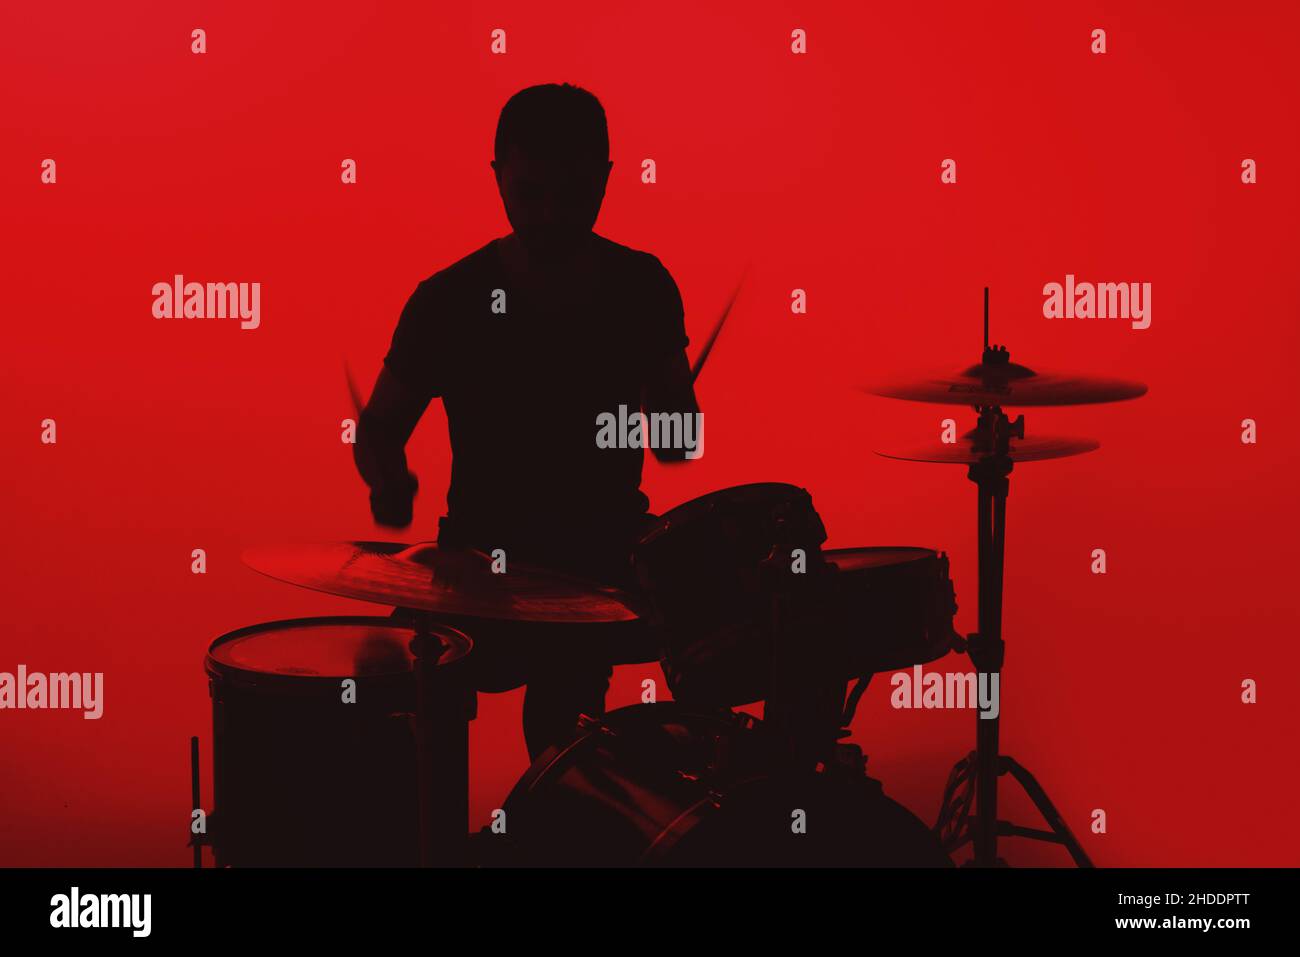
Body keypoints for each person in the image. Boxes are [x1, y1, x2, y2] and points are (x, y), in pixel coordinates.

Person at [353, 82, 699, 759]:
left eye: (574, 195)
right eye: (530, 192)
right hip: (478, 564)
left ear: (606, 178)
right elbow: (378, 429)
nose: (550, 215)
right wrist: (386, 474)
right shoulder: (448, 300)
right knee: (393, 697)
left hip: (597, 566)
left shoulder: (643, 286)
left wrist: (673, 424)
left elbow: (679, 437)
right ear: (497, 176)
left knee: (563, 740)